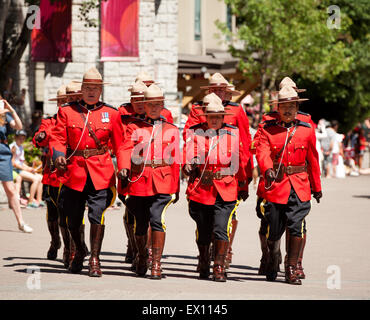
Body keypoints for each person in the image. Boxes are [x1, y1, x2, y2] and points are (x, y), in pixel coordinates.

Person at [50, 67, 121, 277]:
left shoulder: (112, 113)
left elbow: (121, 145)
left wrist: (126, 166)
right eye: (88, 87)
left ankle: (95, 259)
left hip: (101, 171)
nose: (91, 91)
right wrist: (58, 155)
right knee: (72, 218)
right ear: (81, 89)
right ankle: (80, 249)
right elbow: (57, 138)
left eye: (95, 88)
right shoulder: (67, 111)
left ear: (101, 90)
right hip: (75, 172)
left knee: (96, 215)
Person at [256, 86, 322, 285]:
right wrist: (267, 169)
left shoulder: (306, 130)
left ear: (296, 107)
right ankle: (274, 254)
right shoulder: (269, 130)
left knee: (297, 226)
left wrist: (316, 187)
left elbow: (313, 159)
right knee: (274, 230)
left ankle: (291, 267)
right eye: (283, 106)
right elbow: (262, 152)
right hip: (277, 186)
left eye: (291, 106)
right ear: (278, 107)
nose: (287, 110)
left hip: (300, 185)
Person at [116, 84, 180, 279]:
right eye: (150, 104)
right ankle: (142, 256)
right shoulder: (134, 127)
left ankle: (156, 264)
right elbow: (125, 148)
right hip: (140, 181)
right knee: (141, 223)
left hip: (162, 182)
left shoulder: (171, 129)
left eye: (157, 104)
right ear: (144, 105)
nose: (153, 107)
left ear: (162, 106)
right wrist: (124, 166)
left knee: (157, 219)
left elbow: (176, 160)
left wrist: (176, 187)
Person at [182, 98, 248, 282]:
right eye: (211, 116)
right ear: (206, 117)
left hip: (225, 187)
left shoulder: (232, 133)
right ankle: (204, 260)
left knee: (221, 228)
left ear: (222, 117)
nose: (214, 120)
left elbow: (239, 160)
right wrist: (189, 163)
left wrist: (243, 183)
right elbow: (189, 151)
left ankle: (218, 266)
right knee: (203, 230)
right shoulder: (196, 133)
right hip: (203, 189)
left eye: (217, 117)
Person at [0, 97, 32, 233]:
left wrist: (11, 110)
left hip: (3, 153)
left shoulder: (4, 116)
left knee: (11, 189)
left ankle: (21, 222)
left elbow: (19, 126)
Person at [10, 129, 44, 208]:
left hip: (20, 169)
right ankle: (30, 201)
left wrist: (29, 168)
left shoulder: (21, 147)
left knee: (41, 177)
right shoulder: (13, 147)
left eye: (23, 138)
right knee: (35, 179)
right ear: (16, 137)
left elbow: (22, 162)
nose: (22, 140)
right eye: (20, 138)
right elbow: (13, 163)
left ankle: (39, 200)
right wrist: (26, 169)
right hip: (15, 170)